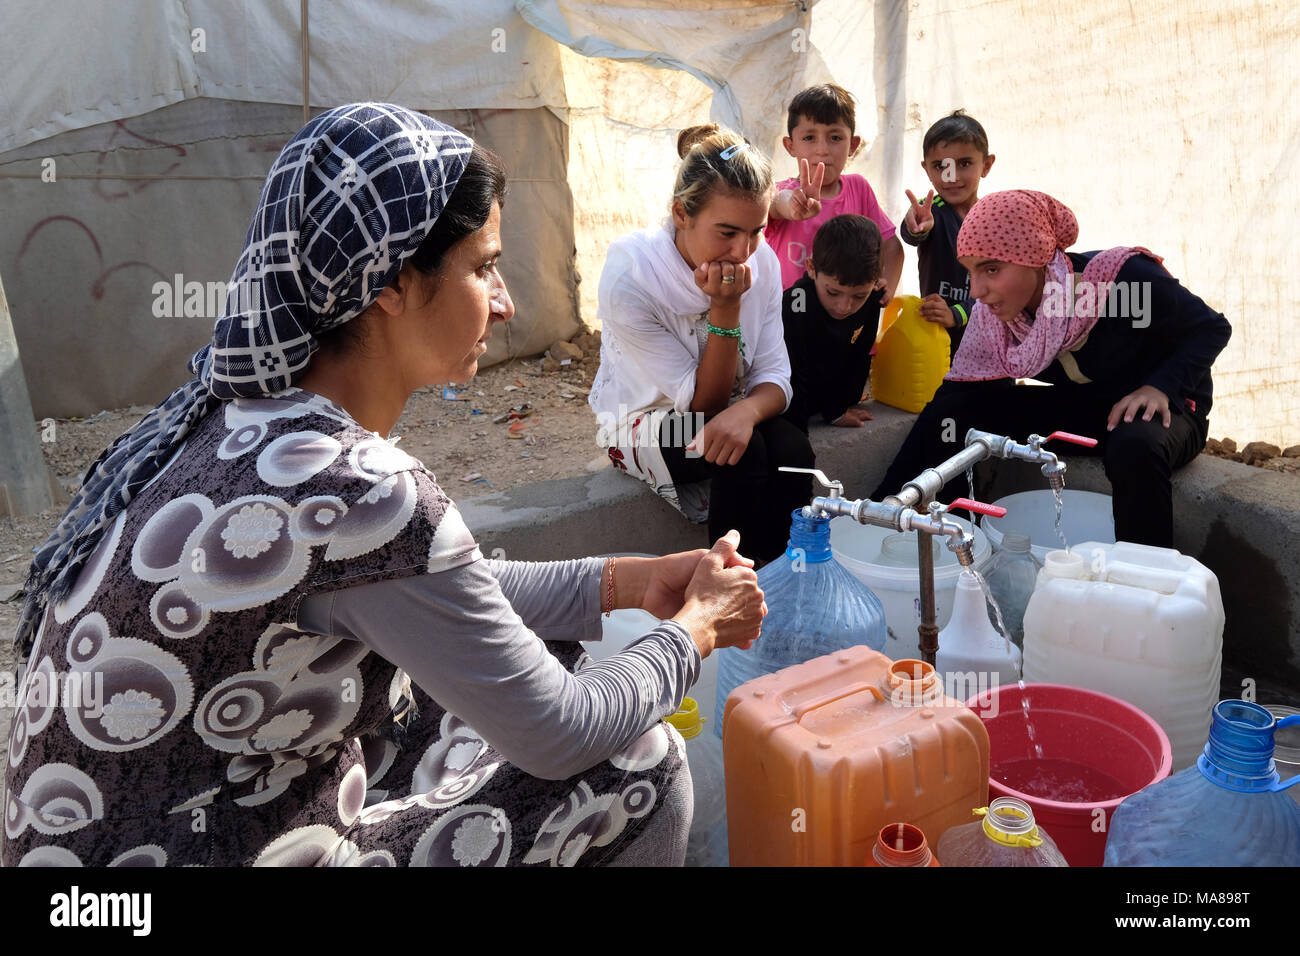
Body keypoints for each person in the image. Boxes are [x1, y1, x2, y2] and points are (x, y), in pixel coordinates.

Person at [3, 103, 766, 868]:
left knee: (511, 665)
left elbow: (440, 594)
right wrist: (693, 628)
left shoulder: (231, 418)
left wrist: (629, 583)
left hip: (81, 859)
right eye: (483, 267)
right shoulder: (362, 490)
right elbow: (560, 732)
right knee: (635, 762)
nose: (505, 303)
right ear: (394, 283)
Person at [871, 190, 1231, 549]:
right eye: (971, 272)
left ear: (1034, 258)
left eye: (991, 269)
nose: (977, 290)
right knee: (956, 412)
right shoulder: (995, 319)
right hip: (1090, 406)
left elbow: (1211, 328)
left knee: (1134, 447)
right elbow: (951, 402)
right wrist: (882, 502)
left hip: (1170, 410)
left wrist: (1161, 386)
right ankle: (953, 537)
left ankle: (1143, 577)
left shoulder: (1117, 284)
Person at [589, 124, 815, 564]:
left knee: (792, 448)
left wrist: (747, 410)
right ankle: (727, 584)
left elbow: (775, 376)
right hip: (643, 421)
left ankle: (788, 574)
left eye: (755, 232)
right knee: (742, 451)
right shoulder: (633, 276)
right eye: (727, 232)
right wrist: (725, 309)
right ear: (681, 214)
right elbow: (701, 406)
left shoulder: (762, 262)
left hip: (730, 406)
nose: (743, 250)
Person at [764, 84, 904, 297]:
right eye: (809, 138)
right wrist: (792, 204)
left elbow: (891, 247)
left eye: (835, 138)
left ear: (853, 145)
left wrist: (887, 285)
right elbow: (775, 204)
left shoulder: (859, 189)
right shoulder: (781, 192)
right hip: (789, 322)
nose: (823, 149)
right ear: (790, 146)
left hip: (846, 321)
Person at [900, 110, 996, 358]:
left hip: (991, 343)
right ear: (926, 169)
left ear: (986, 165)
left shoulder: (996, 220)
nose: (951, 176)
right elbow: (912, 232)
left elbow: (997, 292)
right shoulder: (929, 211)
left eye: (964, 164)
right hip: (939, 343)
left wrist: (957, 314)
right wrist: (915, 227)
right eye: (941, 166)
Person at [782, 214, 885, 430]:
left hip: (839, 395)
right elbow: (793, 369)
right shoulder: (796, 302)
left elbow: (860, 354)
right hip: (794, 395)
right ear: (811, 268)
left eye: (858, 296)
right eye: (833, 292)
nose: (844, 307)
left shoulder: (874, 297)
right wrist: (798, 430)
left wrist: (837, 410)